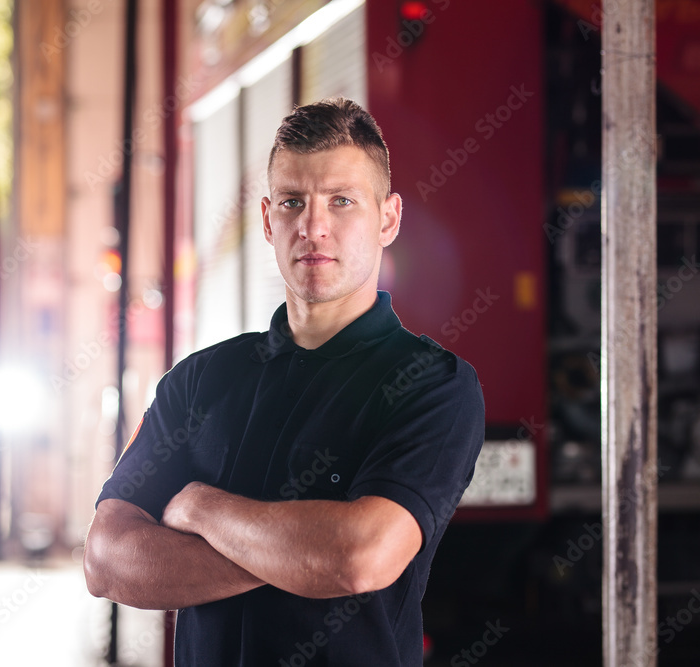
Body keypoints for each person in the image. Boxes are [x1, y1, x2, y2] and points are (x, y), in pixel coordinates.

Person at [83, 97, 485, 666]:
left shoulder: (433, 387)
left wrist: (199, 509)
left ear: (388, 219)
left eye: (341, 201)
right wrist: (300, 558)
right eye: (294, 202)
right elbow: (106, 560)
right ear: (269, 220)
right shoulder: (200, 381)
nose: (313, 226)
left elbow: (359, 558)